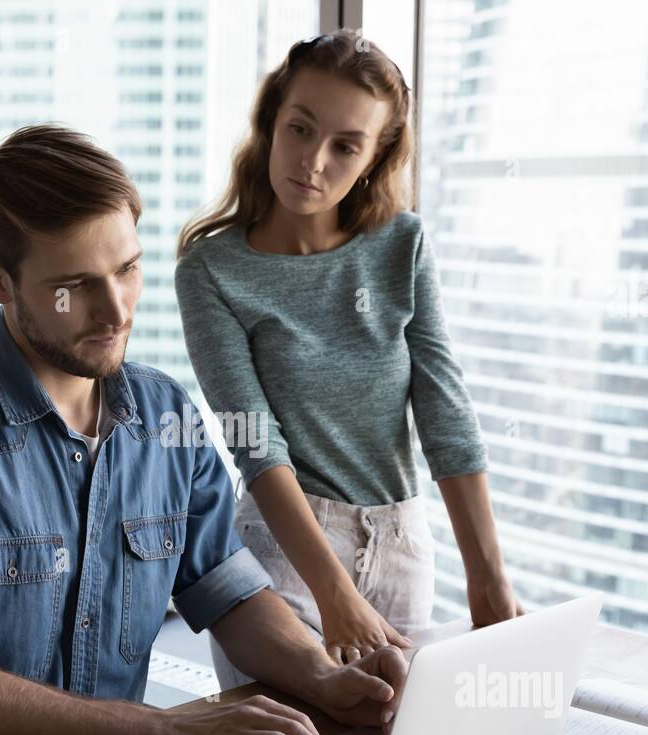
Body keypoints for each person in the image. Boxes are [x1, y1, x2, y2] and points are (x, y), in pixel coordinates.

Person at [0, 124, 407, 735]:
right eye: (75, 286)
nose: (116, 310)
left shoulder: (166, 413)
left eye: (128, 269)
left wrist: (322, 676)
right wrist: (163, 732)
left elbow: (231, 593)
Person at [174, 30, 522, 691]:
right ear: (272, 119)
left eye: (345, 146)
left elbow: (444, 411)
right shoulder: (213, 270)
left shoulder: (402, 245)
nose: (313, 161)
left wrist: (488, 578)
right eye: (300, 129)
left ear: (375, 157)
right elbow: (255, 442)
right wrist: (333, 594)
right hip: (284, 557)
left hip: (403, 549)